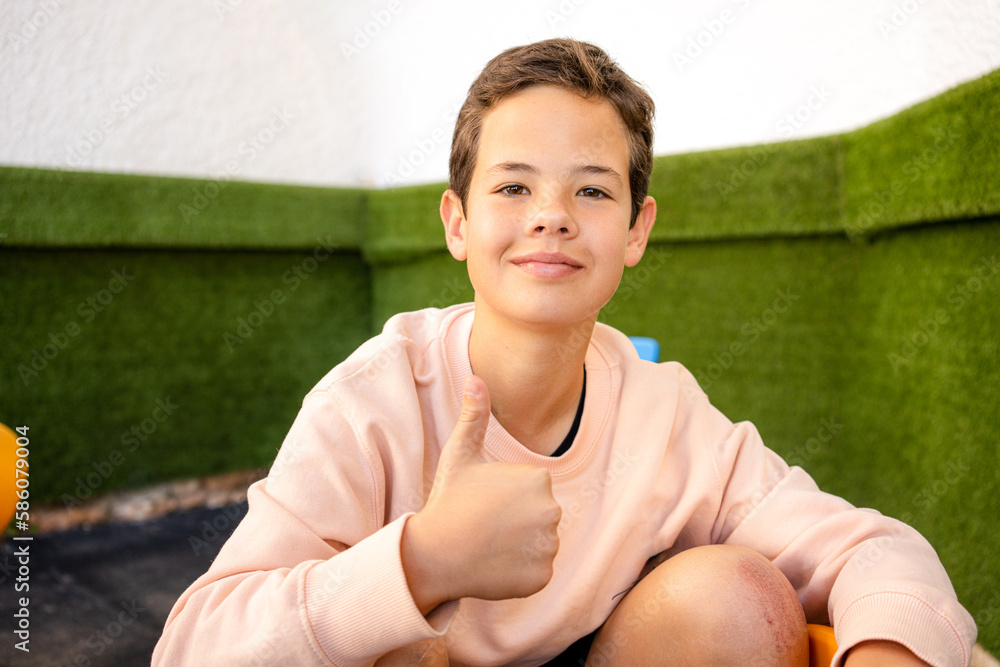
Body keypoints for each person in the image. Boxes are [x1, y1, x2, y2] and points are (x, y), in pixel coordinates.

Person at [153, 38, 976, 666]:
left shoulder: (664, 413)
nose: (552, 214)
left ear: (636, 230)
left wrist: (891, 650)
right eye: (513, 186)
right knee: (400, 651)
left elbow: (872, 549)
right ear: (457, 223)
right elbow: (192, 643)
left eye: (591, 188)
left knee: (740, 592)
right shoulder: (373, 398)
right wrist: (422, 561)